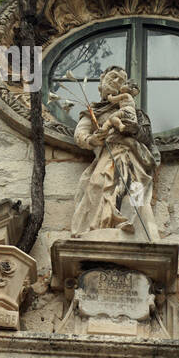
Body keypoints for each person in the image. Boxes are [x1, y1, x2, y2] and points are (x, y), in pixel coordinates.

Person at [70, 65, 161, 240]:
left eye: (121, 80)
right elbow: (80, 134)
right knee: (97, 184)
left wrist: (133, 129)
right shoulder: (93, 112)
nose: (117, 82)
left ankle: (128, 223)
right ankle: (99, 224)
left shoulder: (133, 111)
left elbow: (146, 137)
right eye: (113, 78)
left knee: (132, 191)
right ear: (101, 83)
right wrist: (93, 140)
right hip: (107, 154)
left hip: (131, 155)